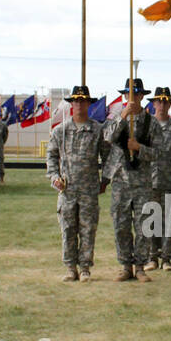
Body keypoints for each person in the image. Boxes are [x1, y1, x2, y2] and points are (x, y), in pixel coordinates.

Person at [46, 85, 110, 281]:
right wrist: (54, 177)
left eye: (83, 101)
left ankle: (85, 268)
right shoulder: (61, 131)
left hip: (89, 190)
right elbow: (51, 155)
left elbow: (108, 158)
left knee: (88, 229)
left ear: (89, 104)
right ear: (71, 104)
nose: (79, 104)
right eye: (76, 100)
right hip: (67, 189)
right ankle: (70, 268)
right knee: (68, 229)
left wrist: (105, 181)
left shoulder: (97, 130)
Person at [104, 77, 156, 282]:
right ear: (125, 96)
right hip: (120, 180)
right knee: (121, 224)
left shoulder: (151, 123)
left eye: (137, 94)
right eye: (129, 94)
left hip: (142, 180)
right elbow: (108, 138)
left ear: (142, 96)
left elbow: (160, 153)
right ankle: (126, 266)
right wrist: (123, 116)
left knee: (143, 226)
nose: (133, 97)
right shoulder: (116, 117)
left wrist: (139, 149)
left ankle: (140, 266)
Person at [145, 88, 171, 271]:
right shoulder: (146, 127)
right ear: (153, 103)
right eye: (159, 101)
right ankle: (152, 257)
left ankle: (166, 258)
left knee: (168, 221)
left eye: (166, 101)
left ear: (170, 104)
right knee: (151, 220)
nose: (162, 104)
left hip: (170, 180)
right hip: (149, 180)